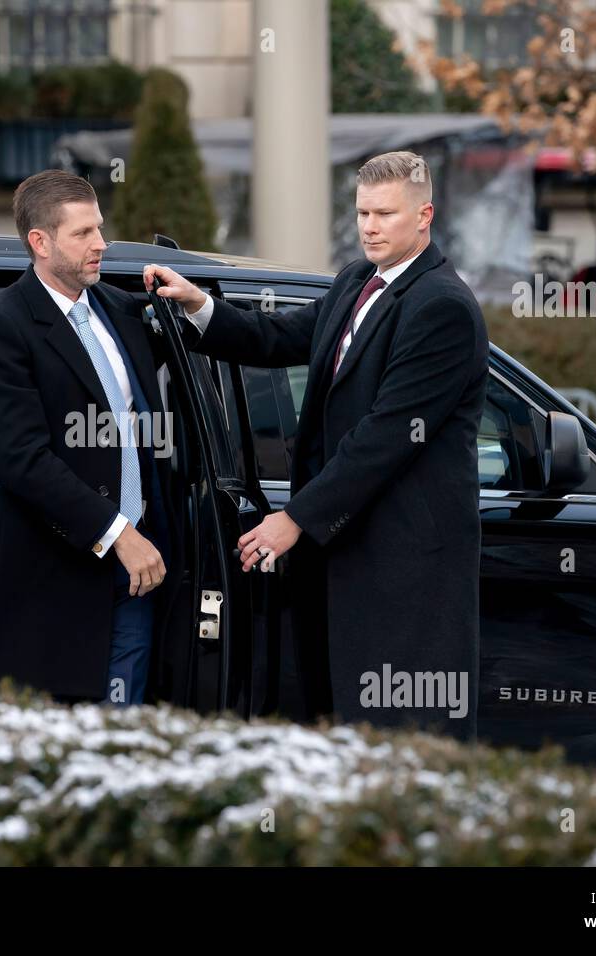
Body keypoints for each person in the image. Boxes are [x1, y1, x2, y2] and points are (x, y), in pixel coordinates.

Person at [144, 151, 488, 740]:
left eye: (385, 214)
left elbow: (384, 438)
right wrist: (199, 304)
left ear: (425, 215)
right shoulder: (358, 280)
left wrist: (294, 519)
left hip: (402, 565)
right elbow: (275, 337)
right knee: (338, 730)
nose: (370, 226)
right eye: (361, 213)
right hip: (343, 555)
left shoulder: (443, 307)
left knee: (398, 740)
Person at [0, 170, 178, 707]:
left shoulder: (122, 311)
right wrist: (118, 533)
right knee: (58, 759)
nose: (101, 244)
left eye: (99, 229)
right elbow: (22, 460)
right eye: (83, 233)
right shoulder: (0, 326)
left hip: (136, 577)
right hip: (51, 582)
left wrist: (192, 304)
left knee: (120, 738)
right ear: (40, 242)